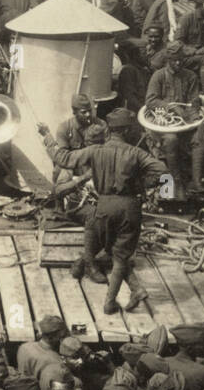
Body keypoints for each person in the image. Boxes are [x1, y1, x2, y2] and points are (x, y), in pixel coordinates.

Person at [43, 107, 165, 312]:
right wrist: (144, 185)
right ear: (127, 131)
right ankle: (113, 300)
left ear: (109, 130)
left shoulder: (94, 151)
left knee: (109, 248)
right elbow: (162, 171)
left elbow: (62, 159)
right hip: (130, 206)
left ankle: (127, 291)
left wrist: (48, 139)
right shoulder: (137, 153)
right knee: (121, 255)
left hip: (104, 206)